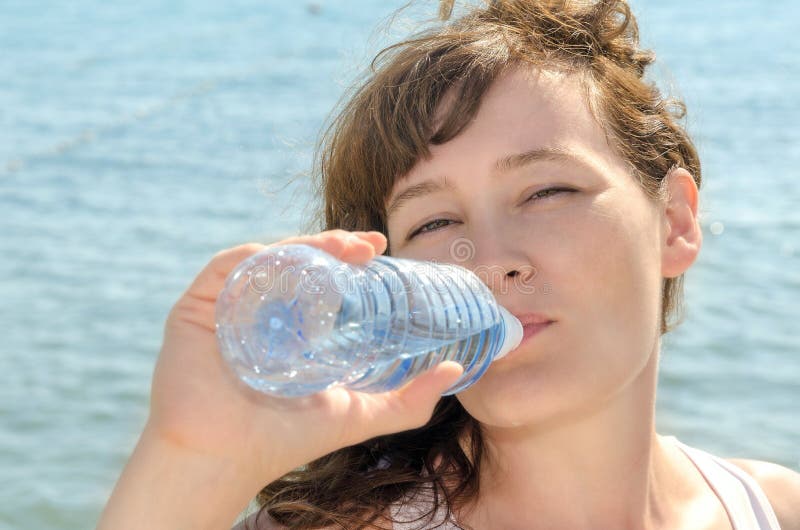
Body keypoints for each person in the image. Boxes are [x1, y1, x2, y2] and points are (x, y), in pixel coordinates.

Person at [97, 1, 800, 529]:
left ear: (674, 222)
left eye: (546, 191)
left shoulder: (773, 509)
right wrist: (193, 459)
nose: (491, 261)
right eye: (434, 222)